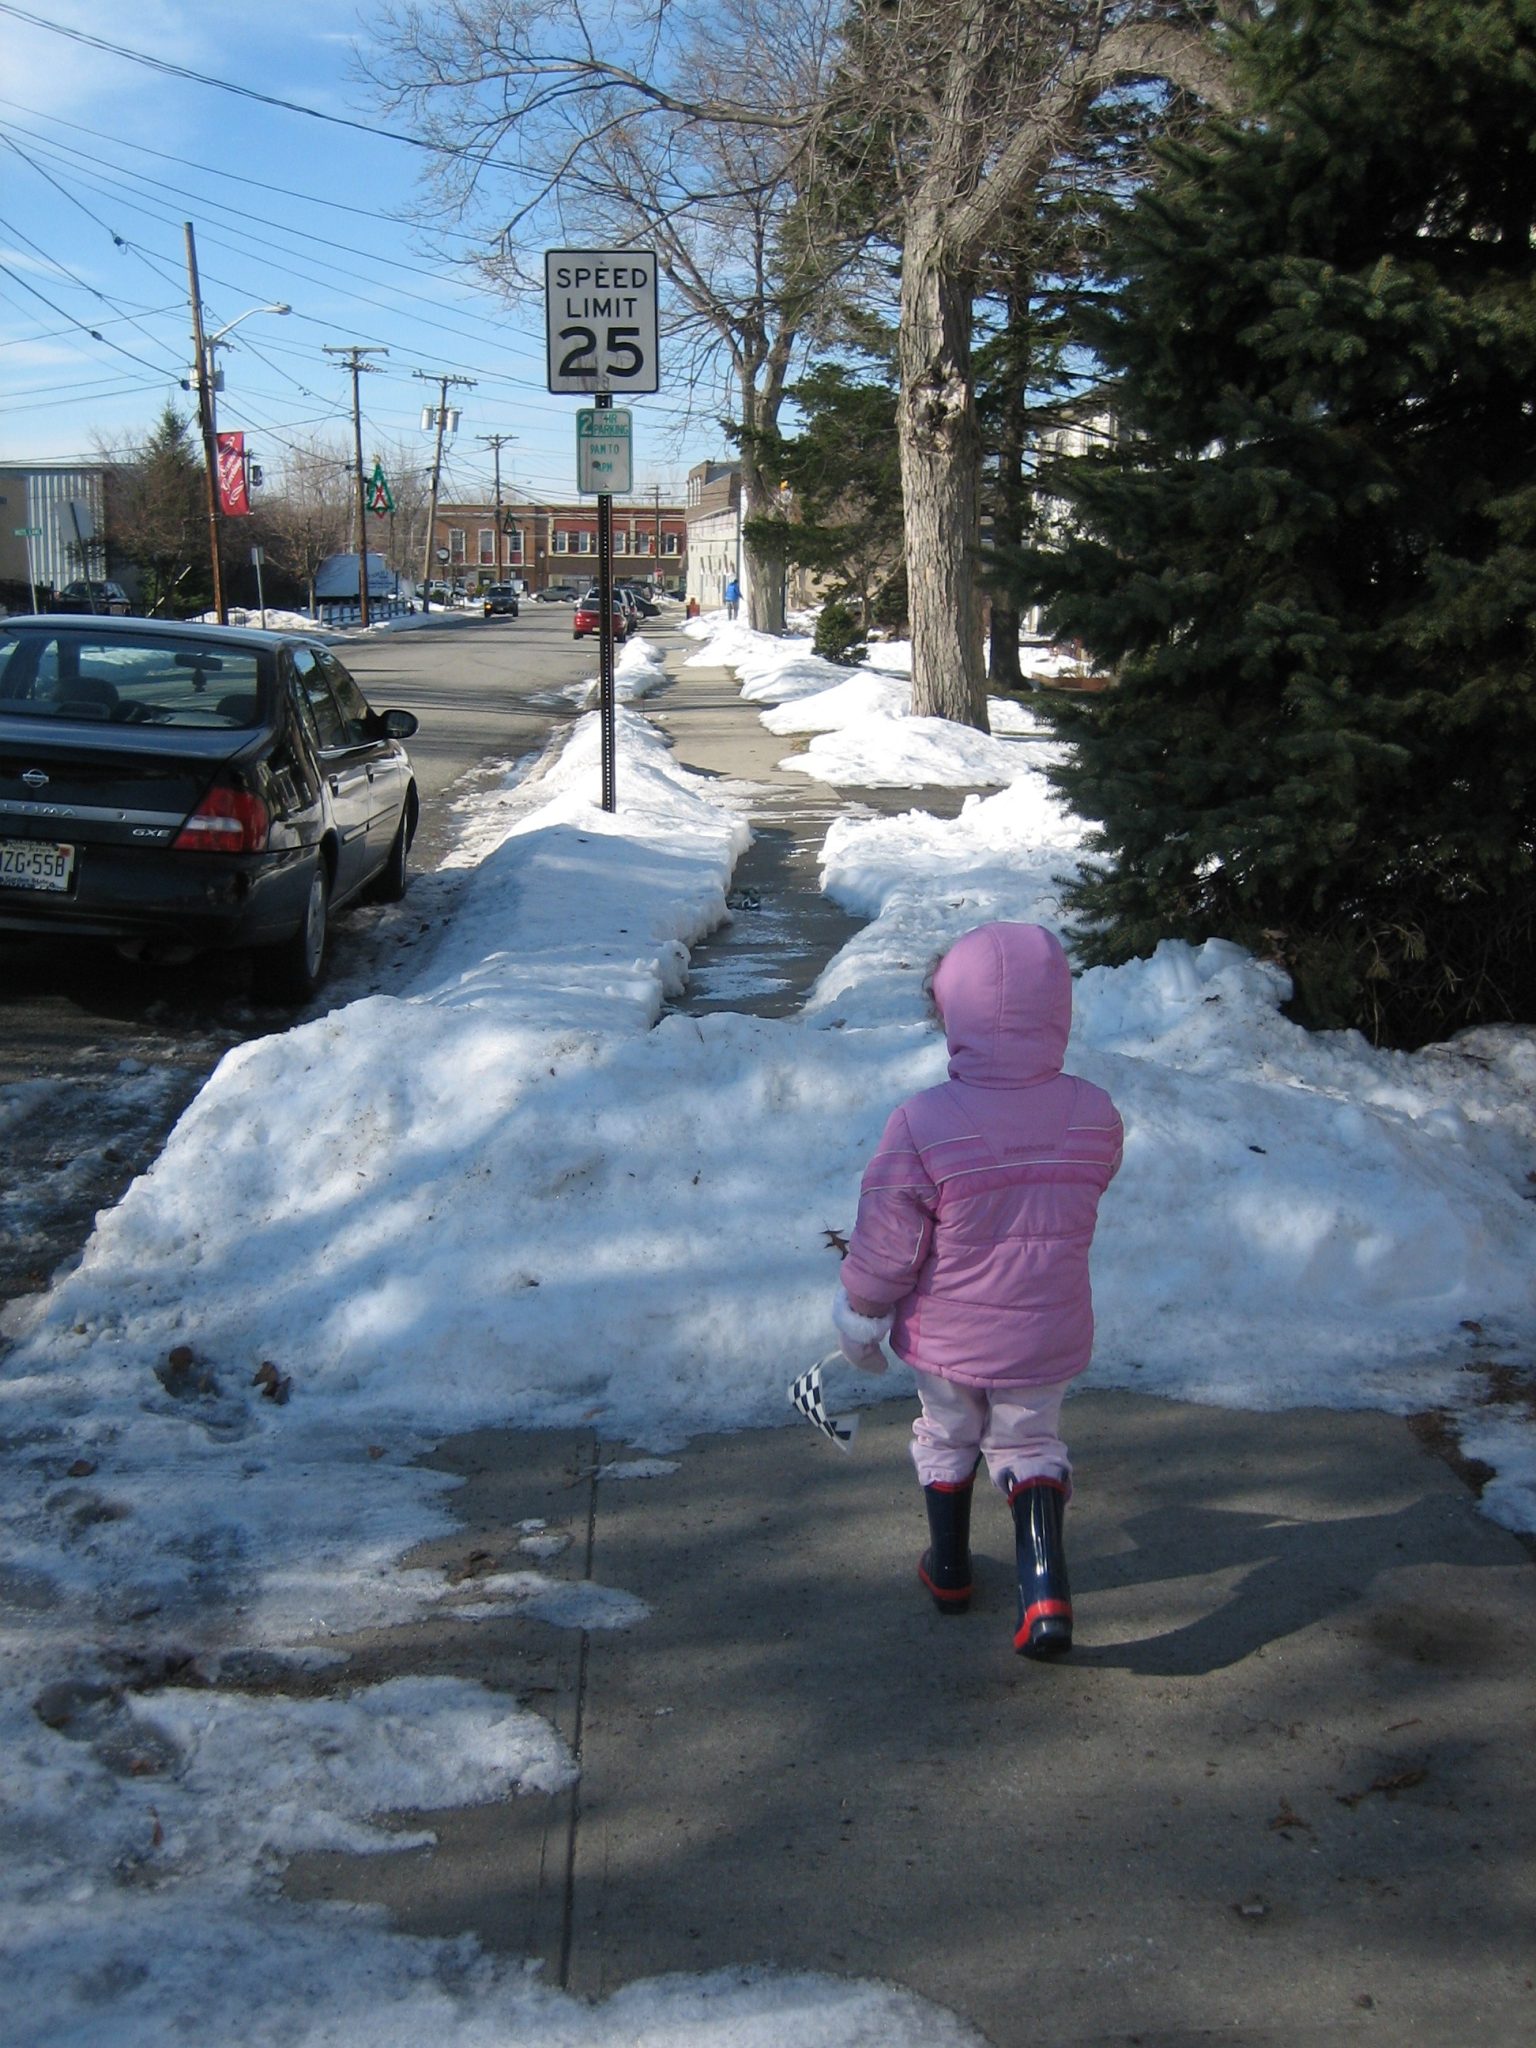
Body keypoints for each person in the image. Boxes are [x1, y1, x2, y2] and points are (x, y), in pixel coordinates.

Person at [832, 922, 1123, 1658]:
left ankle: (951, 1570)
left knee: (946, 1434)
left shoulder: (924, 1122)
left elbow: (888, 1243)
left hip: (949, 1339)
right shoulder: (1093, 1113)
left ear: (951, 1013)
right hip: (1046, 1332)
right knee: (1030, 1441)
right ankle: (1045, 1590)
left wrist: (862, 1312)